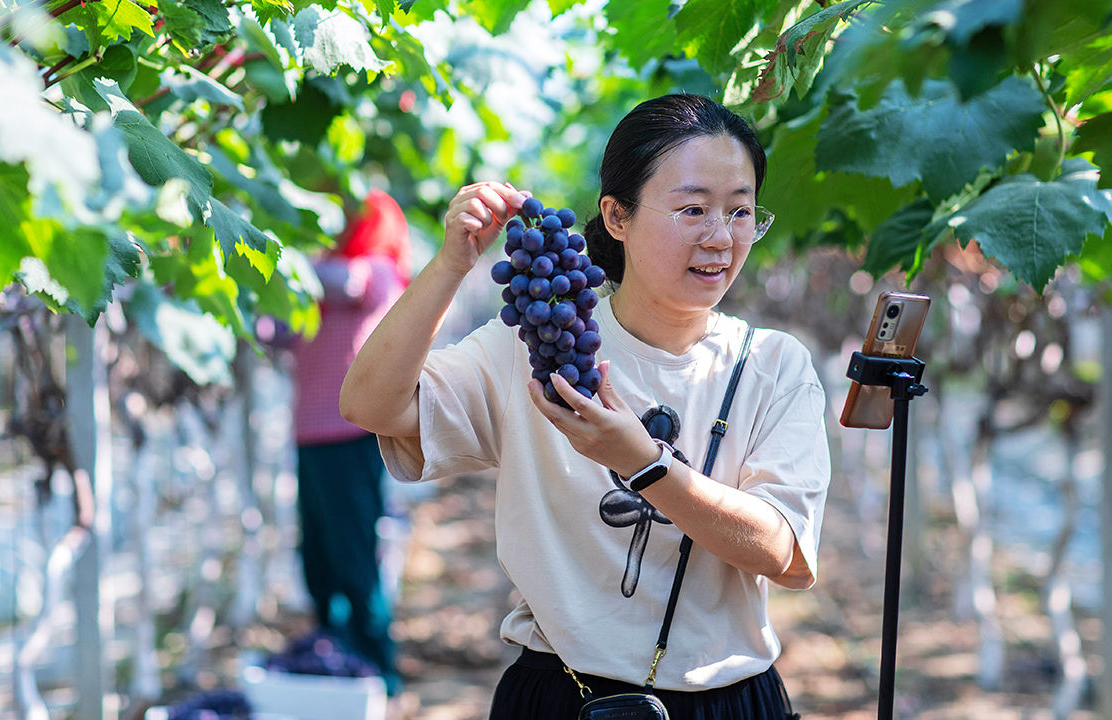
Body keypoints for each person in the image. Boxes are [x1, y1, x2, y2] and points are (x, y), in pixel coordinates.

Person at [339, 94, 829, 719]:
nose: (720, 236)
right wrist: (450, 265)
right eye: (693, 209)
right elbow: (368, 404)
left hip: (727, 701)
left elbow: (781, 552)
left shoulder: (772, 364)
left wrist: (644, 463)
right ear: (616, 216)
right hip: (562, 697)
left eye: (740, 211)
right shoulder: (536, 345)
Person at [291, 188, 411, 696]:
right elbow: (276, 332)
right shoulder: (313, 281)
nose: (336, 228)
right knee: (315, 554)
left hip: (350, 434)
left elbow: (345, 282)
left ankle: (378, 668)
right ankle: (335, 656)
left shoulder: (376, 272)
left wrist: (281, 260)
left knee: (355, 552)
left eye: (347, 220)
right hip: (309, 436)